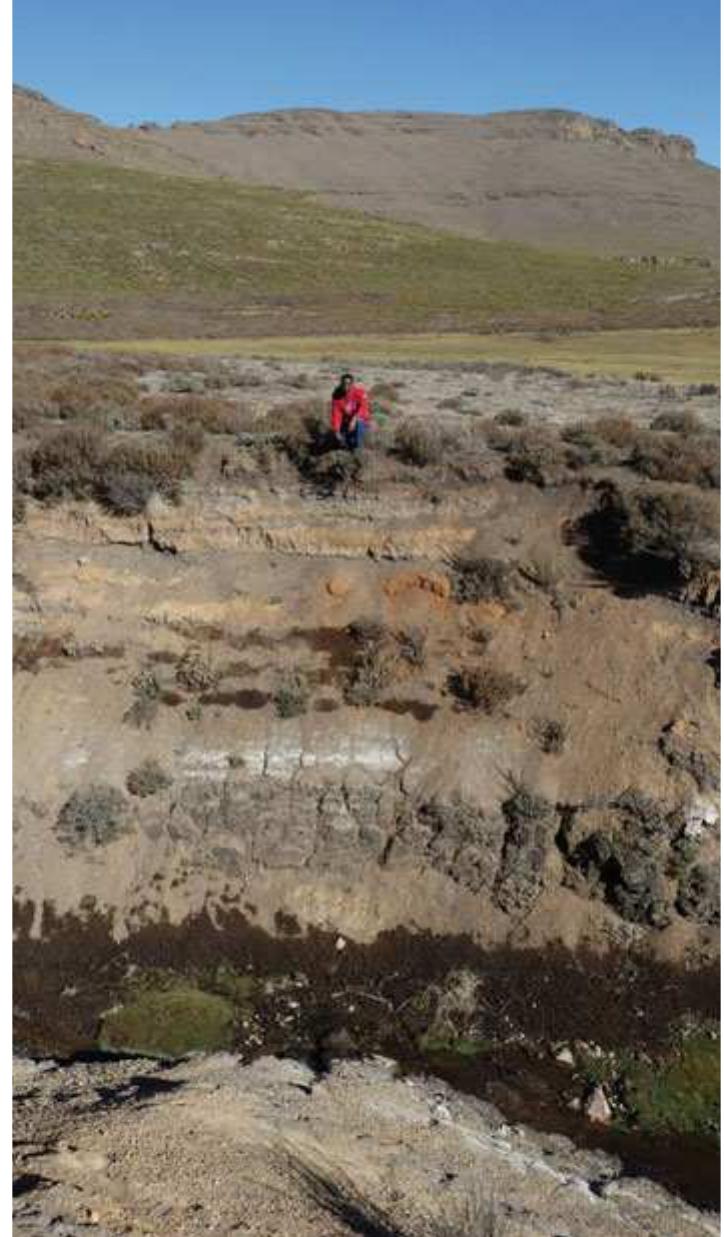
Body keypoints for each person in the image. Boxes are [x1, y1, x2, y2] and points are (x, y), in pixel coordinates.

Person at [330, 372, 371, 451]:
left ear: (352, 384)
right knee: (342, 441)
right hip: (347, 421)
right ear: (341, 383)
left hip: (361, 420)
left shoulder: (359, 392)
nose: (346, 386)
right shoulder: (337, 395)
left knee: (358, 428)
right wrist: (336, 430)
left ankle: (358, 449)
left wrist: (354, 419)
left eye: (349, 383)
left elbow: (363, 407)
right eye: (344, 383)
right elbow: (336, 414)